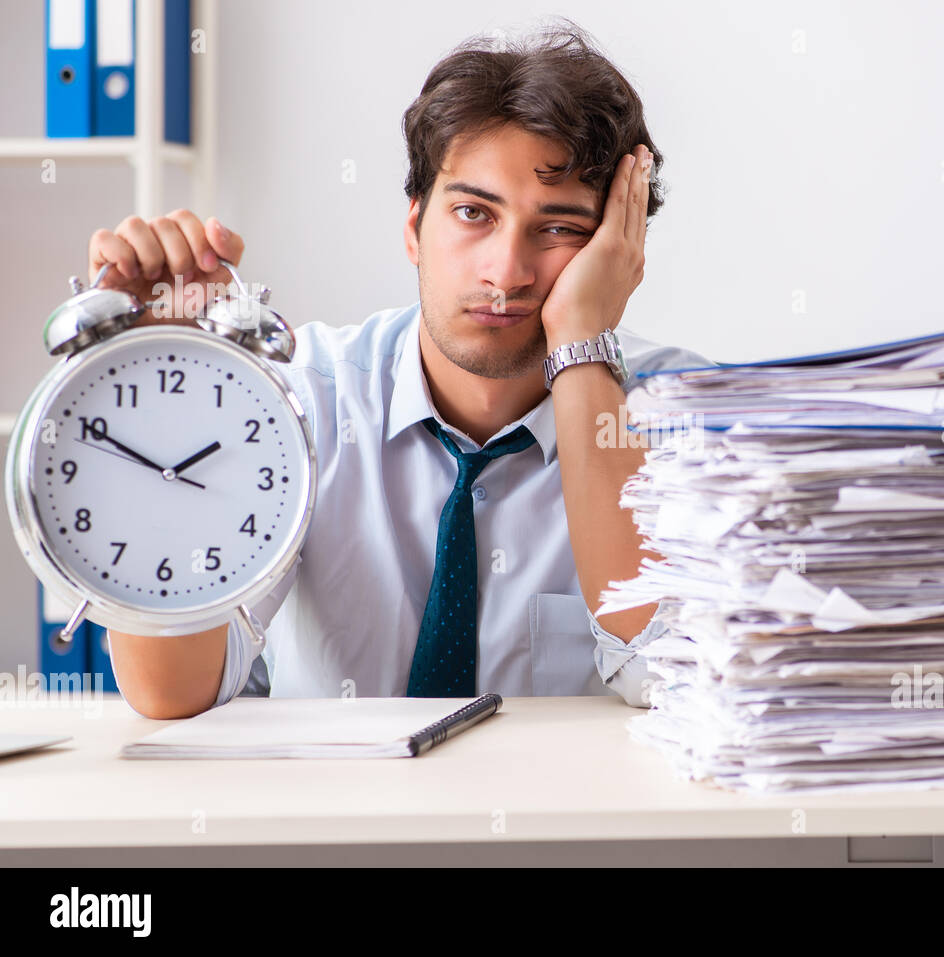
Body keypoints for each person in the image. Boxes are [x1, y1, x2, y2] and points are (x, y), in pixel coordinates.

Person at [97, 22, 708, 718]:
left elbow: (670, 677)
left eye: (560, 228)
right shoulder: (298, 400)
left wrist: (581, 344)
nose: (506, 271)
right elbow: (172, 693)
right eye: (474, 213)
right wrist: (160, 392)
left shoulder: (686, 418)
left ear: (619, 253)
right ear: (415, 229)